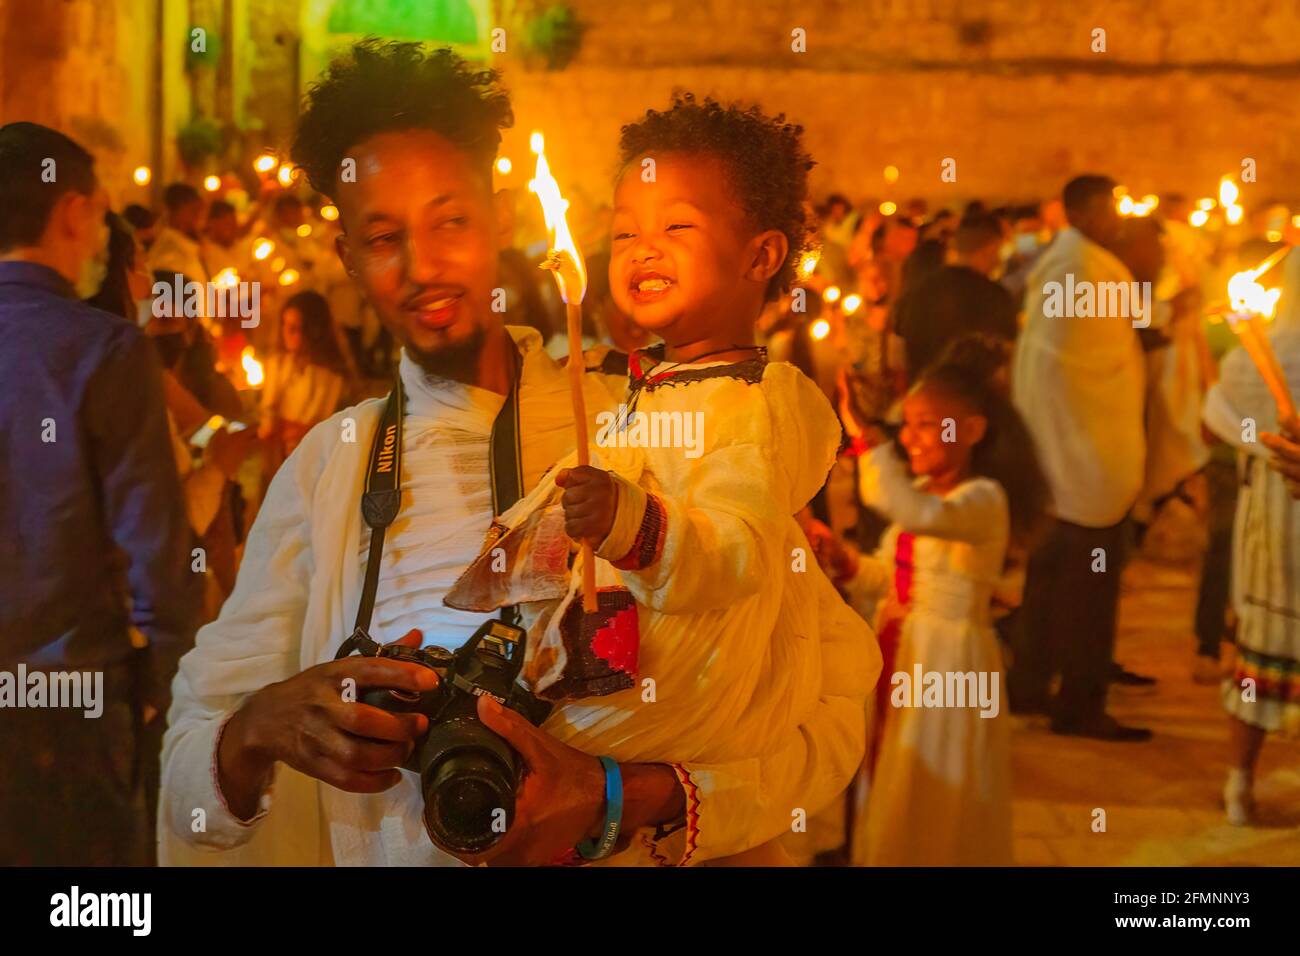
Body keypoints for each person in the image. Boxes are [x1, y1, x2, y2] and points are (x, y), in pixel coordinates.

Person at [160, 41, 872, 868]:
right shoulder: (333, 467)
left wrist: (620, 793)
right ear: (349, 256)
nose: (423, 266)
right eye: (384, 237)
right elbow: (189, 799)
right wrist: (259, 730)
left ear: (500, 216)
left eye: (450, 221)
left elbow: (830, 710)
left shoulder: (653, 425)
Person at [509, 93, 879, 864]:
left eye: (677, 227)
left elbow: (735, 550)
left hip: (683, 685)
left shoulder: (748, 408)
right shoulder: (652, 386)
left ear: (761, 256)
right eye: (623, 233)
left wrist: (623, 517)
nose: (643, 249)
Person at [0, 122, 197, 864]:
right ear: (75, 212)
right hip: (68, 703)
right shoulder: (105, 350)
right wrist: (179, 690)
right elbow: (157, 548)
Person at [838, 335, 1048, 865]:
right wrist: (843, 561)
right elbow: (889, 577)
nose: (909, 438)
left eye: (927, 424)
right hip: (903, 650)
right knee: (896, 776)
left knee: (934, 787)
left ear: (972, 430)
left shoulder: (981, 500)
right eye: (905, 423)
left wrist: (867, 441)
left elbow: (917, 517)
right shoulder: (923, 493)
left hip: (947, 664)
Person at [1008, 174, 1152, 741]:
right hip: (1085, 459)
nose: (1117, 218)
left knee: (1047, 582)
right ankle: (1079, 701)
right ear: (1086, 214)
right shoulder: (1084, 271)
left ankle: (1029, 682)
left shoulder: (1066, 266)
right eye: (1109, 208)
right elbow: (1090, 368)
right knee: (1089, 592)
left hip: (1056, 458)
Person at [1203, 250, 1300, 825]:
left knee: (1265, 639)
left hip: (1272, 514)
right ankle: (1239, 780)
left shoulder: (1260, 352)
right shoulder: (1265, 349)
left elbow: (1216, 421)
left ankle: (1240, 780)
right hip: (1282, 501)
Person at [893, 212, 1019, 382]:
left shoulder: (919, 292)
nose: (999, 259)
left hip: (924, 394)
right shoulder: (995, 297)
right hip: (972, 400)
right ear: (991, 249)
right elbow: (1007, 356)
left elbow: (900, 352)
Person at [258, 290, 350, 470]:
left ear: (313, 331)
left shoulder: (331, 377)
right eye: (285, 325)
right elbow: (268, 413)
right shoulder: (278, 365)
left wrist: (297, 429)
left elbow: (330, 426)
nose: (286, 333)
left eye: (295, 328)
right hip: (277, 457)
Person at [149, 182, 208, 291]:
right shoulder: (169, 252)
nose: (199, 218)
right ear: (176, 212)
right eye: (194, 211)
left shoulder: (189, 247)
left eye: (200, 212)